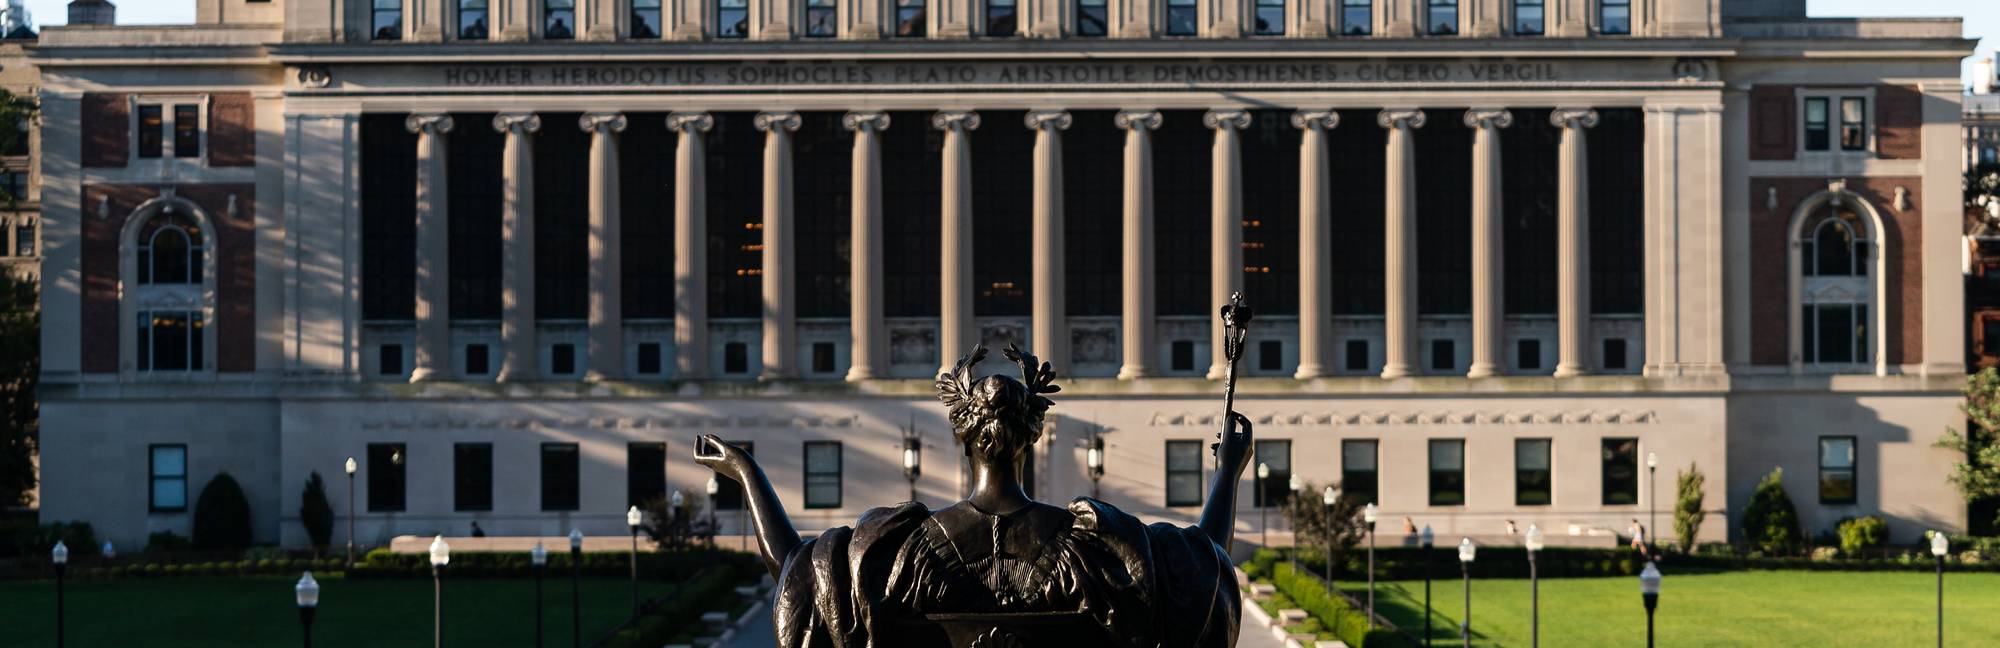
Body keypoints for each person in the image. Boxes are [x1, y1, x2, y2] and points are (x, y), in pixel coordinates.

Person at [696, 345, 1253, 648]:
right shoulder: (1094, 550)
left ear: (960, 436)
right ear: (1032, 438)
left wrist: (747, 474)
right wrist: (1227, 472)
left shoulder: (898, 554)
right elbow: (1205, 565)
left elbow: (798, 571)